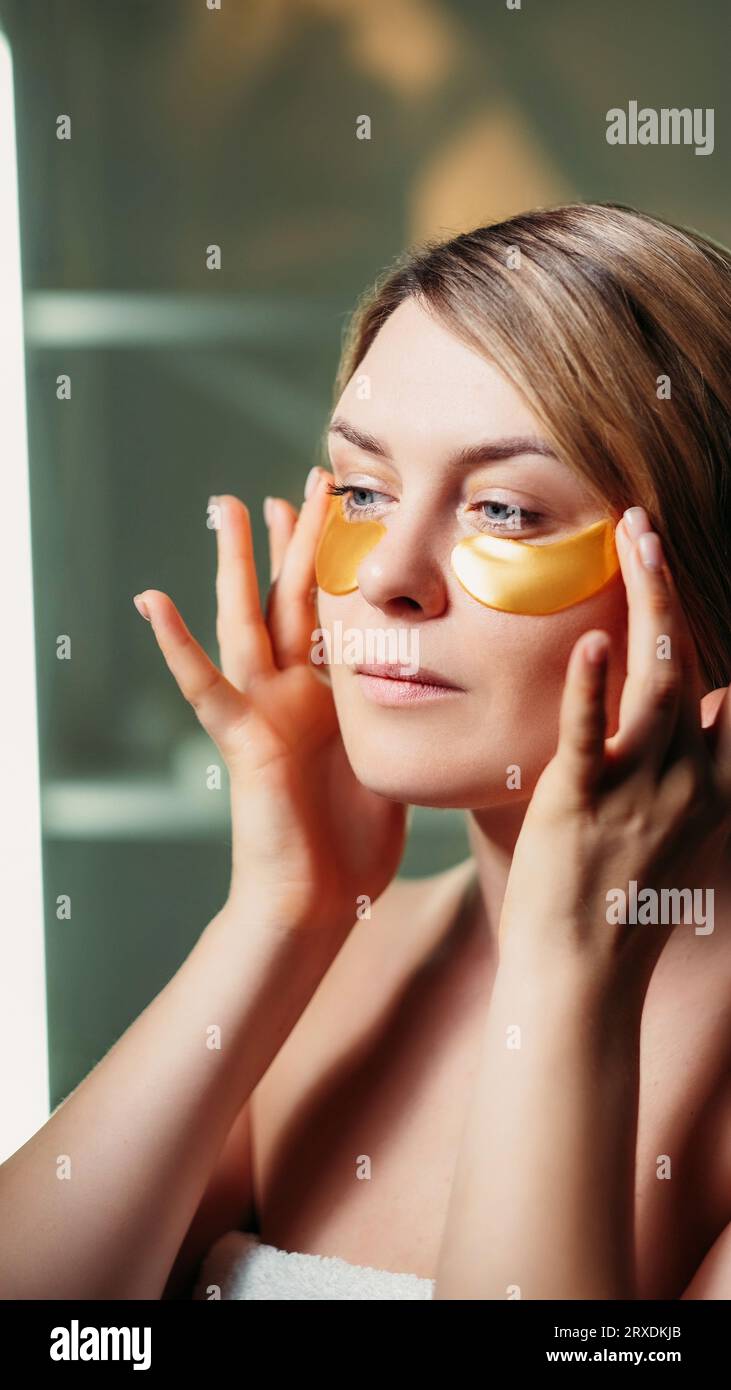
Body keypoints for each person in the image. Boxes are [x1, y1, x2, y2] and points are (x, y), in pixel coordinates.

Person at [2, 202, 730, 1300]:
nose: (387, 573)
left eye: (504, 510)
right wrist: (281, 911)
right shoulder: (339, 959)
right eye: (361, 489)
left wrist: (567, 974)